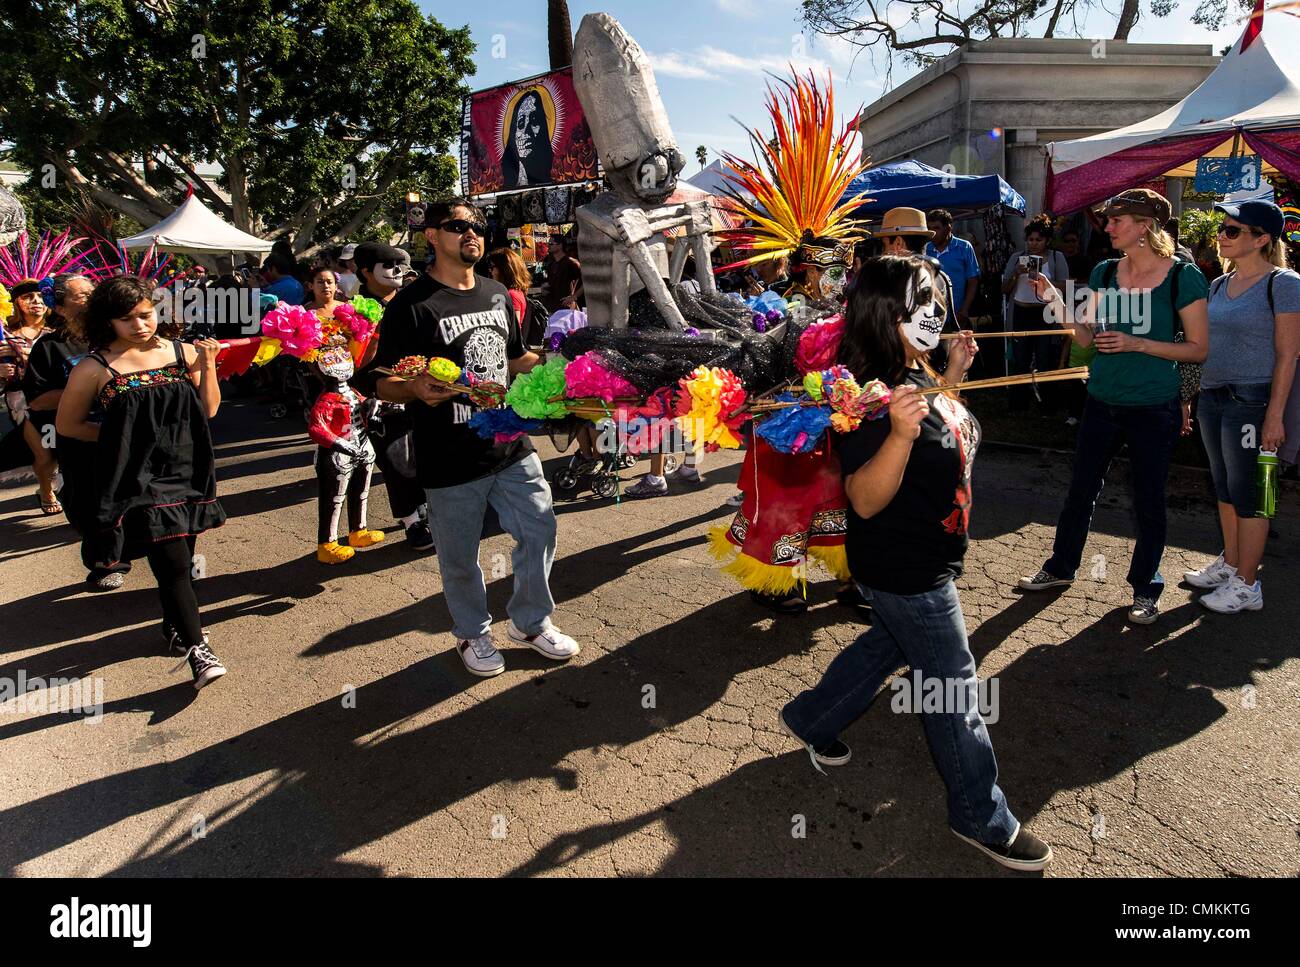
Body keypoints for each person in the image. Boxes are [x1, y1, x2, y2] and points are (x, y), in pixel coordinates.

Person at [779, 254, 1050, 872]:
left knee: (889, 644)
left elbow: (940, 432)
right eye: (919, 301)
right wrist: (899, 434)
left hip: (929, 553)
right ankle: (980, 814)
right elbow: (864, 500)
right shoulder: (865, 396)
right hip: (904, 565)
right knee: (953, 687)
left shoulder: (915, 365)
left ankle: (811, 717)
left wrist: (951, 373)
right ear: (884, 312)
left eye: (936, 299)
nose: (934, 312)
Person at [374, 197, 579, 677]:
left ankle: (530, 622)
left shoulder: (496, 292)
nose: (472, 233)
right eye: (458, 225)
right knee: (461, 557)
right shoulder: (411, 305)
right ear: (432, 235)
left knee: (540, 529)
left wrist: (565, 367)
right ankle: (472, 633)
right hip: (448, 454)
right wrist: (414, 389)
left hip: (509, 441)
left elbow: (515, 358)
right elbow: (380, 381)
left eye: (479, 226)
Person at [1018, 188, 1209, 625]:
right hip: (1102, 400)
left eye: (1116, 220)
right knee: (1080, 490)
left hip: (1153, 406)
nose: (1107, 227)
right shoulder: (1105, 272)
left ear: (1145, 226)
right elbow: (1086, 336)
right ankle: (1060, 567)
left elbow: (1198, 349)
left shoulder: (1183, 277)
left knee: (1148, 500)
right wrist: (1053, 299)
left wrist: (1138, 343)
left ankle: (1146, 588)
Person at [55, 275, 228, 690]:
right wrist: (123, 438)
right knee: (173, 565)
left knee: (182, 561)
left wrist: (207, 365)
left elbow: (208, 410)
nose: (139, 325)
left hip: (189, 469)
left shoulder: (182, 352)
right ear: (107, 321)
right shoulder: (94, 367)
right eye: (126, 319)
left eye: (145, 315)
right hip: (139, 480)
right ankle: (198, 650)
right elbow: (68, 425)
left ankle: (174, 625)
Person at [1183, 200, 1300, 614]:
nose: (1222, 235)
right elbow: (1203, 345)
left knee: (1252, 492)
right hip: (1214, 396)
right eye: (1223, 228)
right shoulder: (1219, 284)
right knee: (1225, 486)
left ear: (1262, 239)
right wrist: (1189, 395)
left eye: (1233, 230)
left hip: (1253, 399)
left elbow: (1288, 355)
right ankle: (1232, 564)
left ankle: (1248, 584)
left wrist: (1275, 416)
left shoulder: (1284, 283)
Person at [350, 241, 433, 552]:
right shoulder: (354, 311)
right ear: (365, 272)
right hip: (378, 398)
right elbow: (352, 364)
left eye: (400, 264)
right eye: (388, 265)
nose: (397, 271)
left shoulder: (414, 299)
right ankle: (412, 522)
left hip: (423, 391)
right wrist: (371, 336)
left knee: (426, 455)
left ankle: (428, 510)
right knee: (397, 460)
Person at [0, 279, 59, 513]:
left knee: (59, 452)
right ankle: (46, 490)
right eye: (28, 297)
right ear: (16, 303)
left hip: (59, 398)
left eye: (40, 296)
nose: (36, 301)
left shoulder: (58, 332)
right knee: (44, 455)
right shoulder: (5, 336)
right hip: (24, 403)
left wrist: (30, 355)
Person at [1002, 214, 1070, 410]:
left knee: (1044, 359)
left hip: (1045, 314)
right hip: (1021, 313)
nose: (1034, 243)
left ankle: (1048, 404)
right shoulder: (1017, 258)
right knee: (1020, 360)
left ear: (1047, 240)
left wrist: (1044, 282)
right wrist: (1017, 273)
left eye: (1038, 240)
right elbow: (1004, 289)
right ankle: (1018, 403)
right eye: (1030, 239)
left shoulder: (1057, 257)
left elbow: (1066, 286)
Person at [925, 209, 980, 328]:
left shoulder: (964, 247)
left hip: (956, 316)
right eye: (929, 228)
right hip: (930, 317)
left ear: (949, 228)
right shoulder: (925, 250)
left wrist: (965, 309)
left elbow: (973, 281)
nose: (932, 233)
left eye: (936, 228)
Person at [501, 88, 554, 189]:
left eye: (534, 120)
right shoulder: (506, 187)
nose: (526, 131)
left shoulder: (557, 185)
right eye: (521, 123)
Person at [486, 247, 532, 332]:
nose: (490, 271)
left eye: (492, 267)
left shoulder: (511, 294)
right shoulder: (515, 292)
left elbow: (514, 328)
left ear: (504, 270)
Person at [541, 235, 583, 315]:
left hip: (567, 309)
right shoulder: (551, 264)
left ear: (560, 245)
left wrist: (574, 296)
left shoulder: (571, 263)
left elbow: (587, 281)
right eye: (548, 243)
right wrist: (545, 289)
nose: (548, 245)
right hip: (552, 308)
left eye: (551, 243)